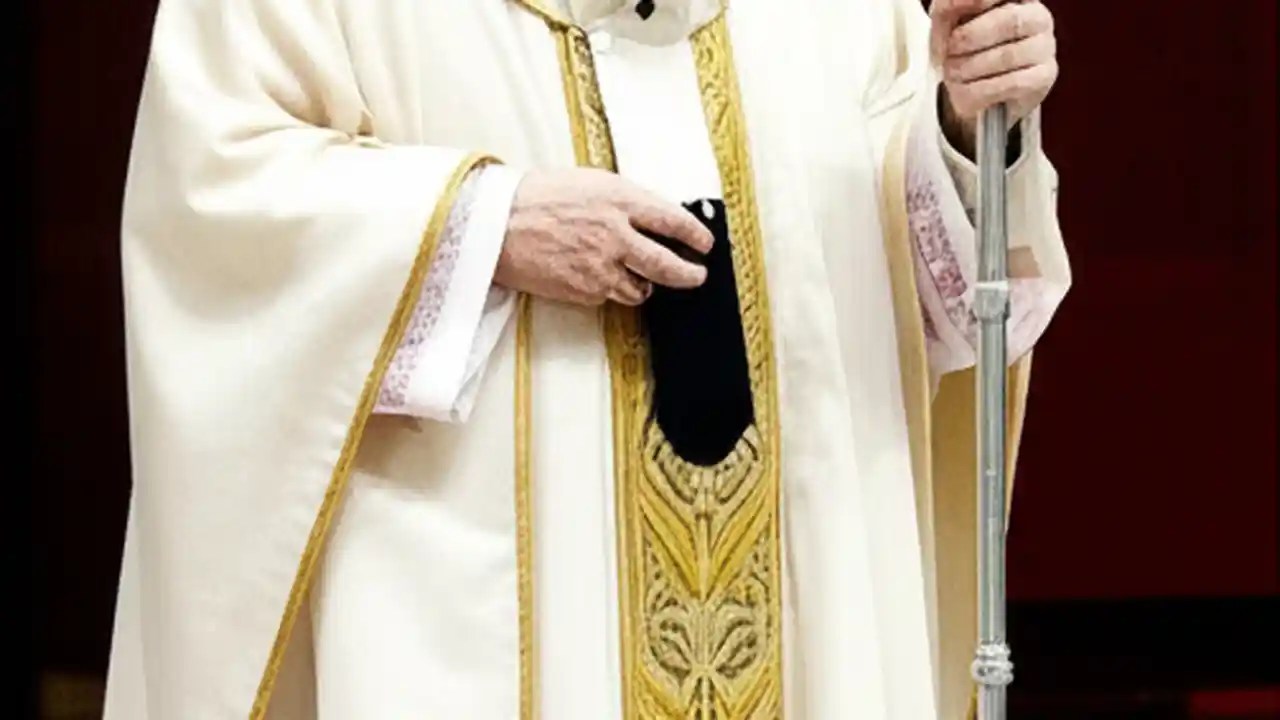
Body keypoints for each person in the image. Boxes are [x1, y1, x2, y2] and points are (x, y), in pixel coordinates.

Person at [105, 0, 1069, 717]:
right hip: (468, 627)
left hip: (806, 595)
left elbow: (915, 293)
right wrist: (484, 224)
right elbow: (209, 205)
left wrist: (966, 122)